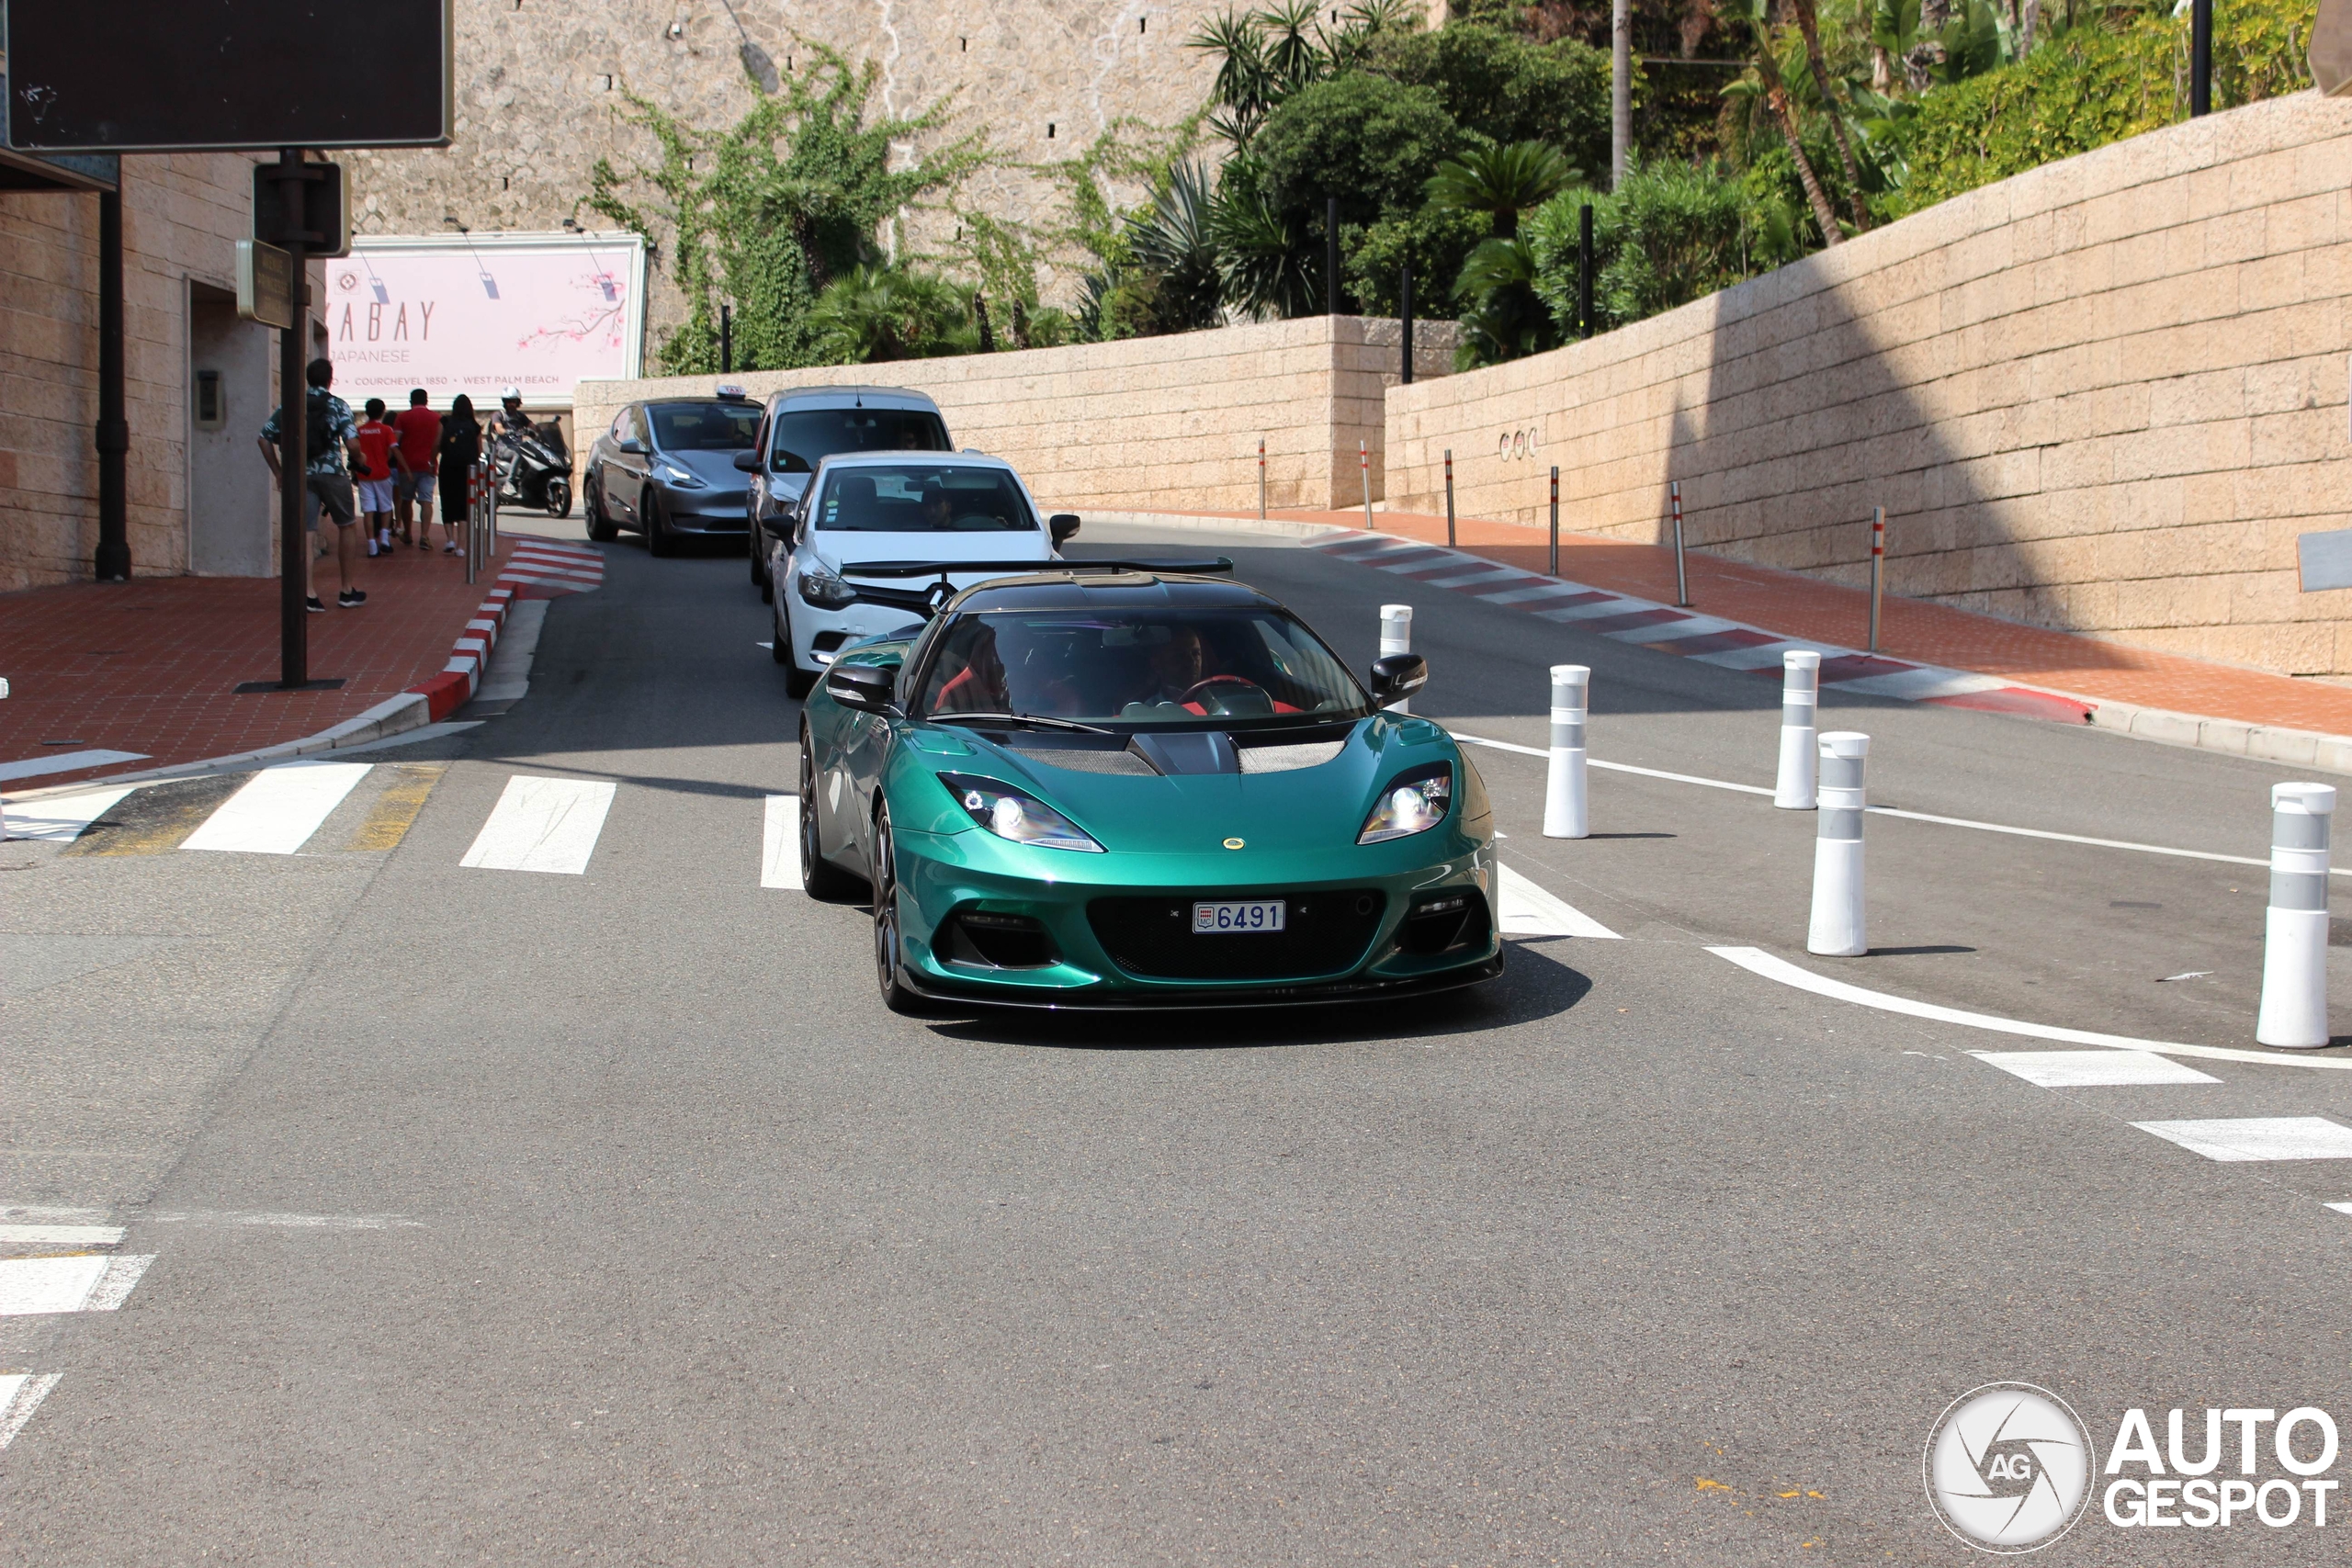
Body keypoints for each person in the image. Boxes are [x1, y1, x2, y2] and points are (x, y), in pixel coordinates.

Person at [256, 356, 367, 611]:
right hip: (332, 473)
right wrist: (360, 458)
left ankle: (308, 594)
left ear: (308, 378)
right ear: (330, 379)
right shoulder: (338, 406)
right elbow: (351, 443)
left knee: (306, 533)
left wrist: (279, 472)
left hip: (300, 475)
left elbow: (264, 438)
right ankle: (347, 590)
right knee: (347, 525)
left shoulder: (291, 406)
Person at [390, 388, 440, 547]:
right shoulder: (437, 418)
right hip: (428, 465)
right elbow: (439, 442)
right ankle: (424, 535)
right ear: (427, 400)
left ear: (411, 401)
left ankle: (408, 532)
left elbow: (394, 442)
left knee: (406, 500)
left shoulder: (402, 417)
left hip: (407, 466)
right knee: (426, 500)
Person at [435, 394, 482, 554]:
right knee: (464, 505)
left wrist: (431, 460)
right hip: (467, 469)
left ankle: (450, 540)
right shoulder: (474, 426)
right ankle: (461, 546)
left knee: (447, 501)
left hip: (448, 465)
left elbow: (436, 443)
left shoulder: (445, 421)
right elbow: (479, 451)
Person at [355, 398, 398, 555]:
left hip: (364, 474)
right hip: (382, 473)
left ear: (367, 412)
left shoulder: (359, 431)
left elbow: (354, 452)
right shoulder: (387, 430)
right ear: (382, 412)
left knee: (368, 511)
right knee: (386, 507)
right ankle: (385, 539)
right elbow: (391, 450)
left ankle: (372, 545)